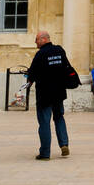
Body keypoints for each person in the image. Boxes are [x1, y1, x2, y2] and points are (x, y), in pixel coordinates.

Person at [27, 30, 75, 160]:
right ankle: (64, 144)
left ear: (43, 39)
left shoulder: (40, 54)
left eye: (36, 39)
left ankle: (45, 153)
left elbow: (32, 74)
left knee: (44, 122)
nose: (35, 42)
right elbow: (66, 67)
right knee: (59, 117)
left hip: (44, 94)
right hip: (59, 92)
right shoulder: (60, 50)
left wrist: (28, 79)